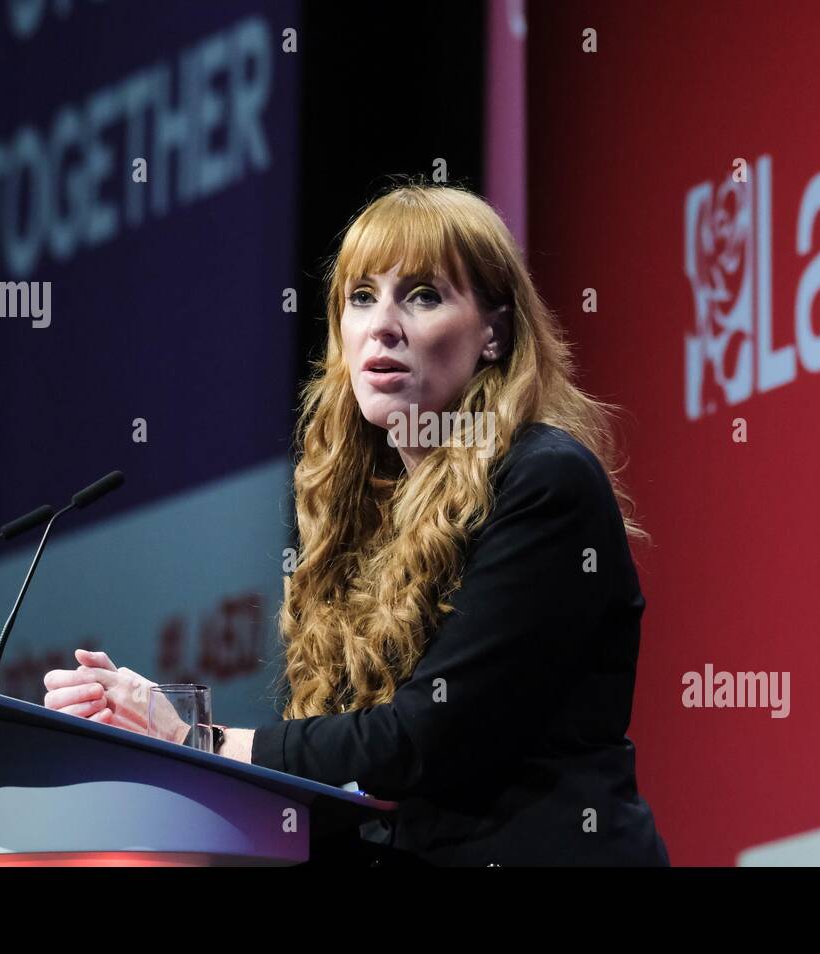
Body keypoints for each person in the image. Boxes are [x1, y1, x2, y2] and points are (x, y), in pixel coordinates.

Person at [43, 182, 670, 866]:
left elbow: (420, 740)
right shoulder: (366, 516)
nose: (384, 325)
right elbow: (350, 770)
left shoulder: (545, 482)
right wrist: (145, 726)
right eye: (361, 297)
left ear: (494, 332)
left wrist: (201, 740)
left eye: (424, 295)